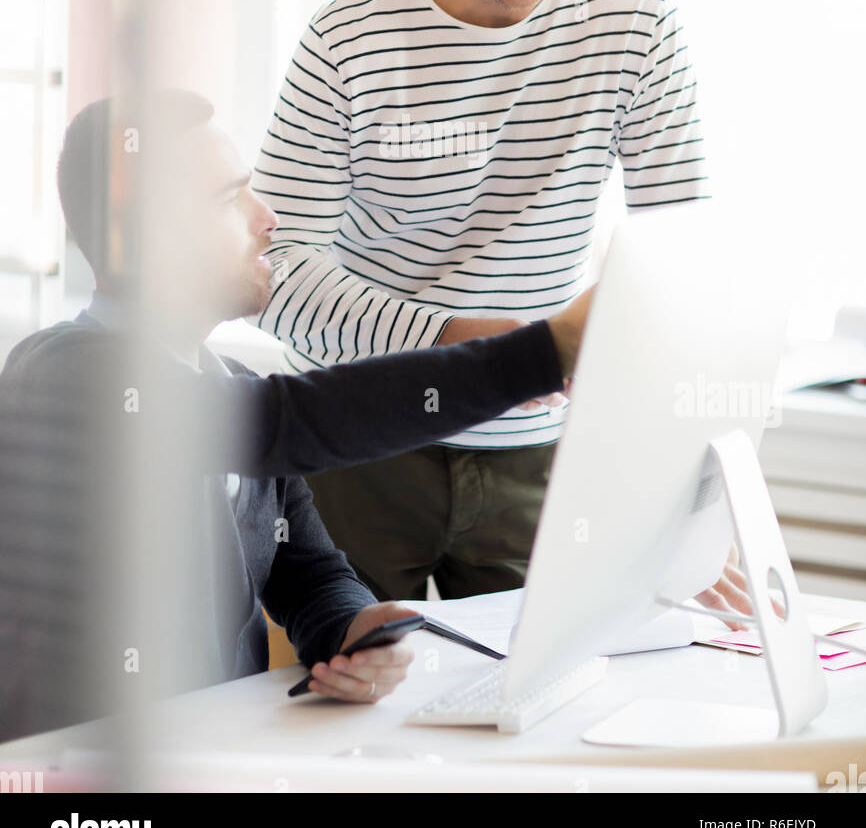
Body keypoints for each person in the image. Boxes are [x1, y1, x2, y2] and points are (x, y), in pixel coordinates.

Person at [252, 0, 711, 601]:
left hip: (542, 448)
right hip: (361, 436)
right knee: (336, 705)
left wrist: (693, 478)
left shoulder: (634, 17)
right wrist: (463, 342)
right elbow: (276, 272)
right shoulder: (346, 40)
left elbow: (682, 243)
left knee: (538, 712)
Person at [0, 90, 593, 741]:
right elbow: (291, 421)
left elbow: (309, 573)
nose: (268, 218)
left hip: (221, 759)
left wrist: (354, 630)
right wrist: (539, 353)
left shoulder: (232, 386)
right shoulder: (62, 373)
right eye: (230, 199)